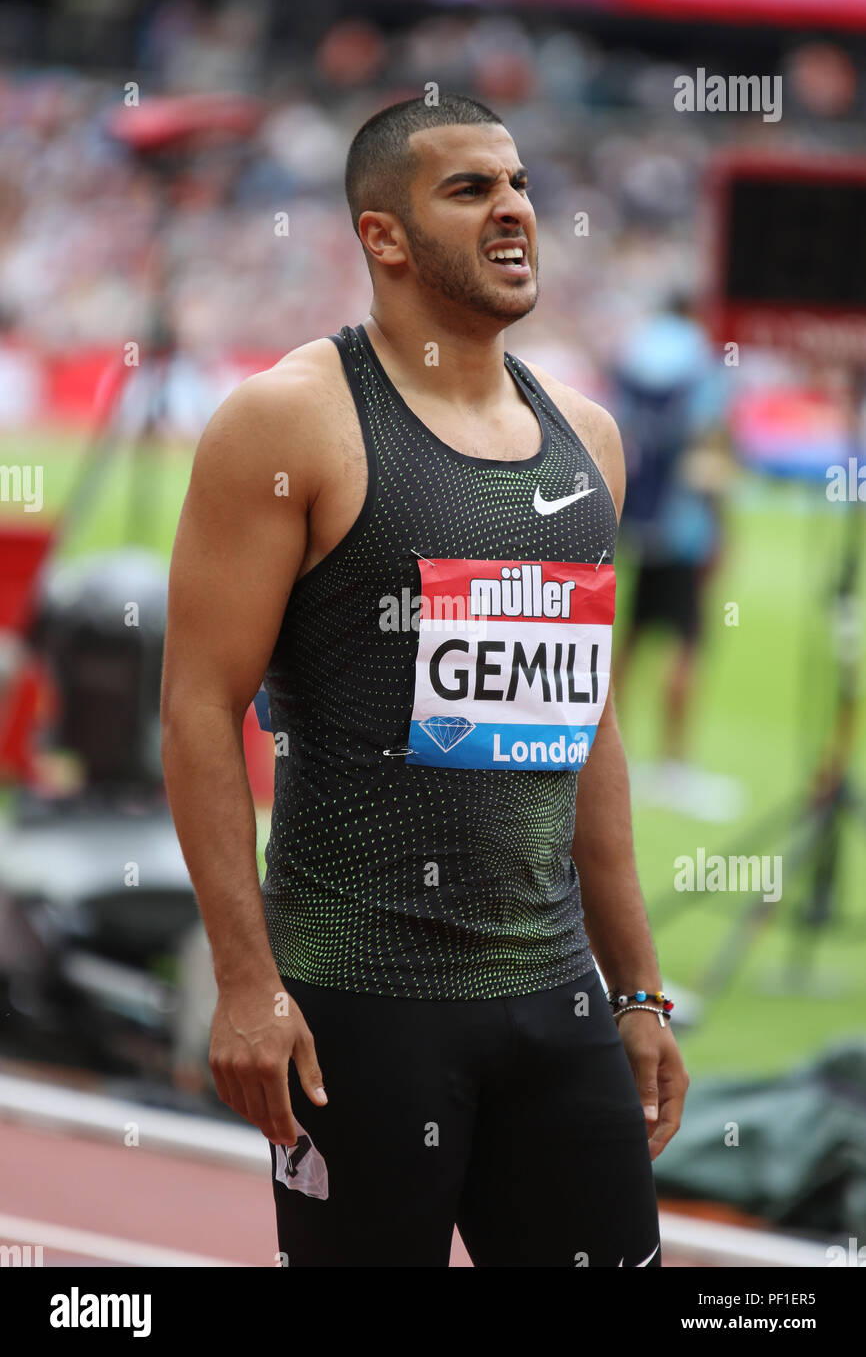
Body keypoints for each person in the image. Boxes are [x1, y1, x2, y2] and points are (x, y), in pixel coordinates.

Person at [160, 93, 688, 1267]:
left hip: (552, 1003)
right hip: (358, 1009)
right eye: (468, 189)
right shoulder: (292, 421)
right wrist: (245, 986)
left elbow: (583, 732)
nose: (512, 209)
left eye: (519, 184)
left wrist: (638, 995)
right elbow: (197, 707)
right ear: (381, 235)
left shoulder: (585, 437)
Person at [610, 295, 740, 820]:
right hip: (686, 529)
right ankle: (673, 766)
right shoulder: (701, 364)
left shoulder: (638, 356)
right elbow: (711, 453)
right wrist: (721, 527)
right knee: (688, 641)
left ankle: (599, 753)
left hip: (640, 523)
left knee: (633, 638)